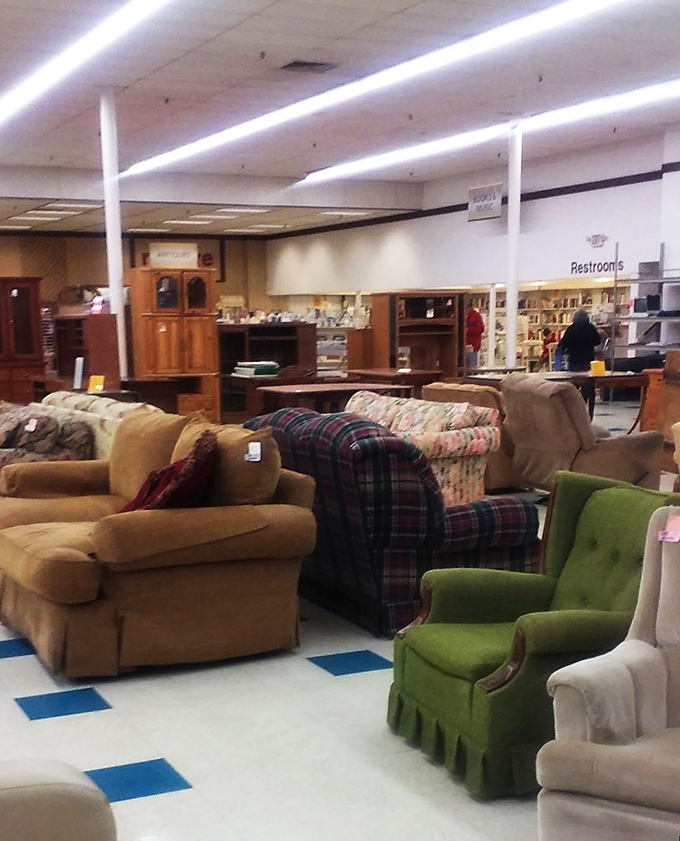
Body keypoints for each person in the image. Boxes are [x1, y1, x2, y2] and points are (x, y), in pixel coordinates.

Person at [557, 309, 602, 415]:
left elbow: (563, 343)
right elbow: (597, 341)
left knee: (574, 383)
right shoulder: (591, 328)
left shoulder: (572, 329)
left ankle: (574, 405)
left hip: (574, 360)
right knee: (589, 383)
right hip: (588, 359)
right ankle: (588, 410)